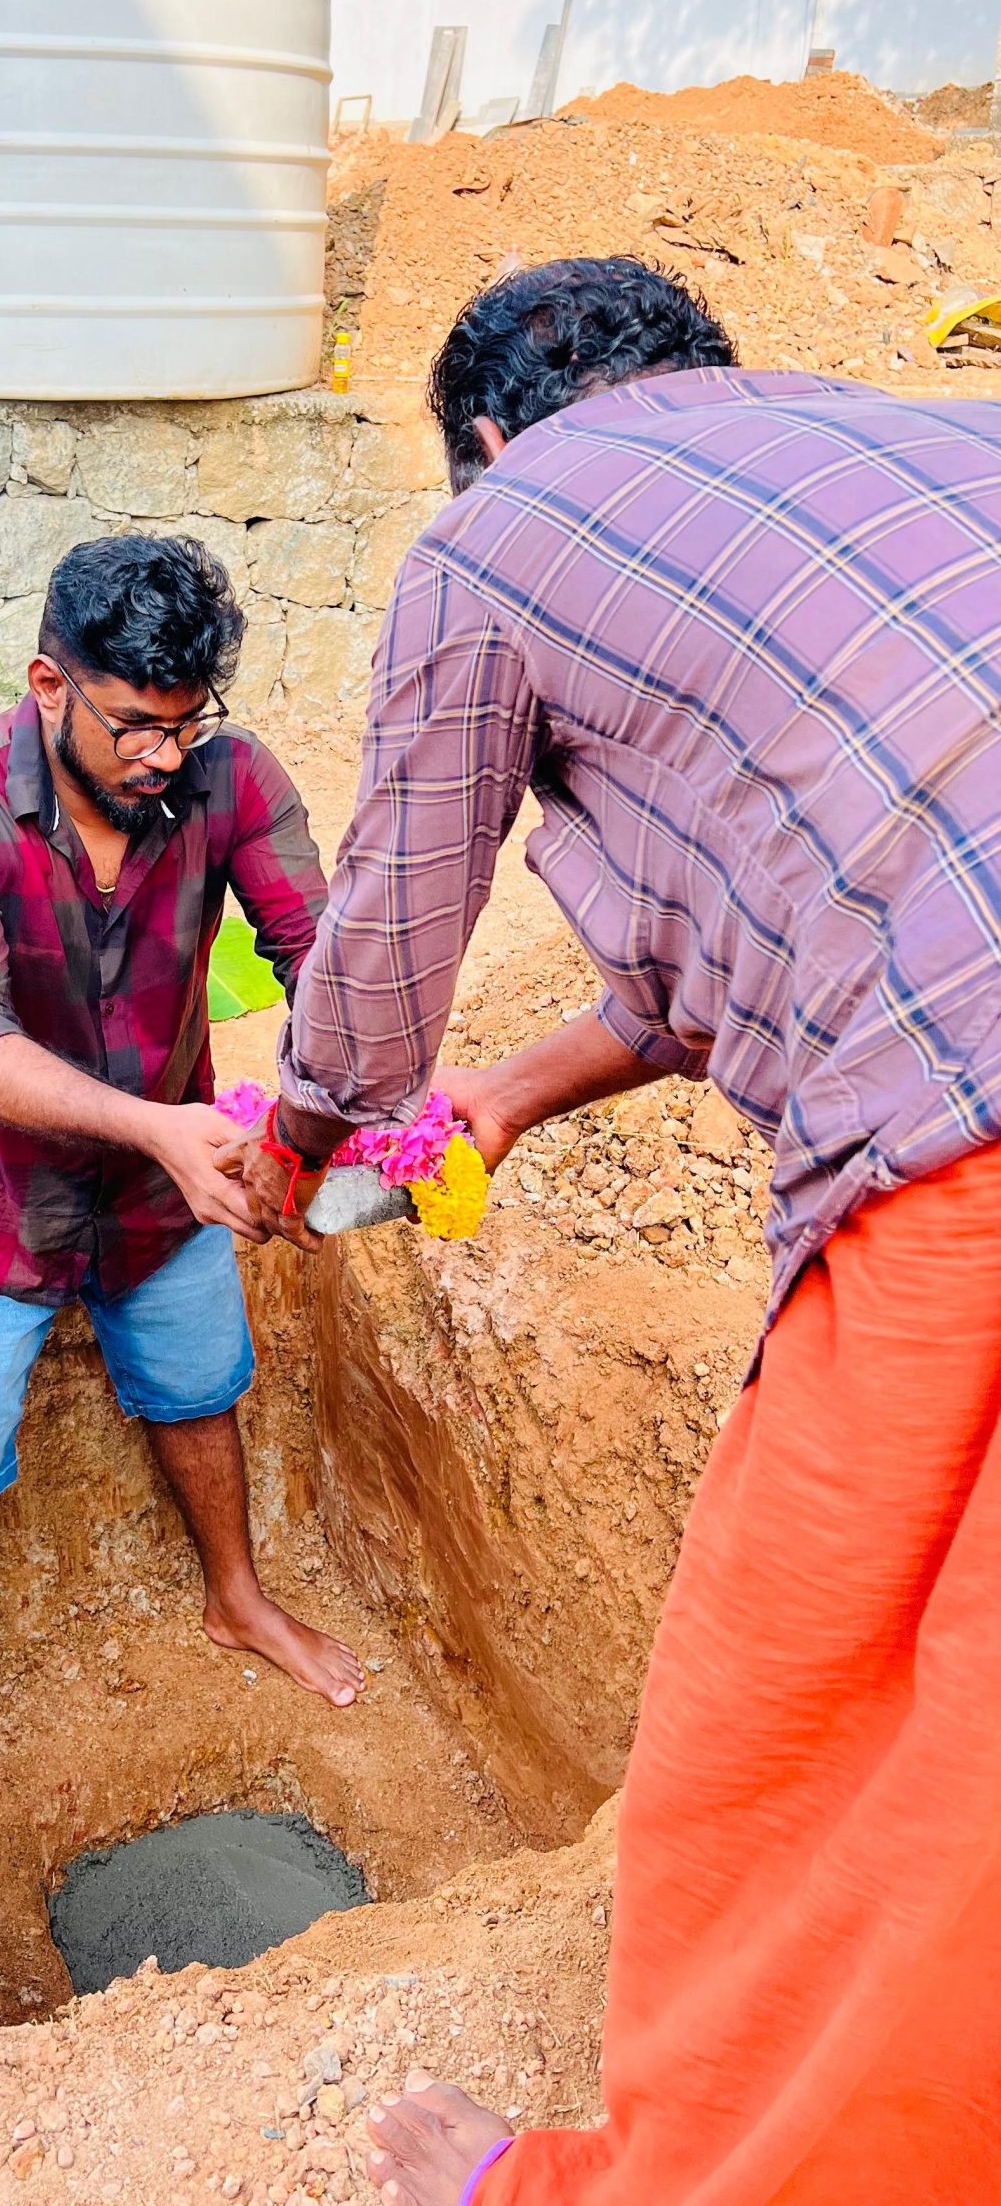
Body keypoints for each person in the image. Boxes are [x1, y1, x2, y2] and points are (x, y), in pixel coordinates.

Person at [230, 259, 1001, 2206]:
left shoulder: (505, 530)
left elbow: (387, 936)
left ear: (485, 436)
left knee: (797, 1739)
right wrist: (499, 1095)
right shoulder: (918, 445)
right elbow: (773, 898)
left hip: (963, 1152)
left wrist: (299, 1134)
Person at [0, 532, 364, 1892]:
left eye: (188, 722)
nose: (166, 755)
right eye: (138, 726)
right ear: (47, 683)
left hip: (166, 1188)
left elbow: (317, 946)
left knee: (202, 1384)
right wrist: (159, 1126)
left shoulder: (230, 776)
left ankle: (236, 1597)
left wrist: (312, 1128)